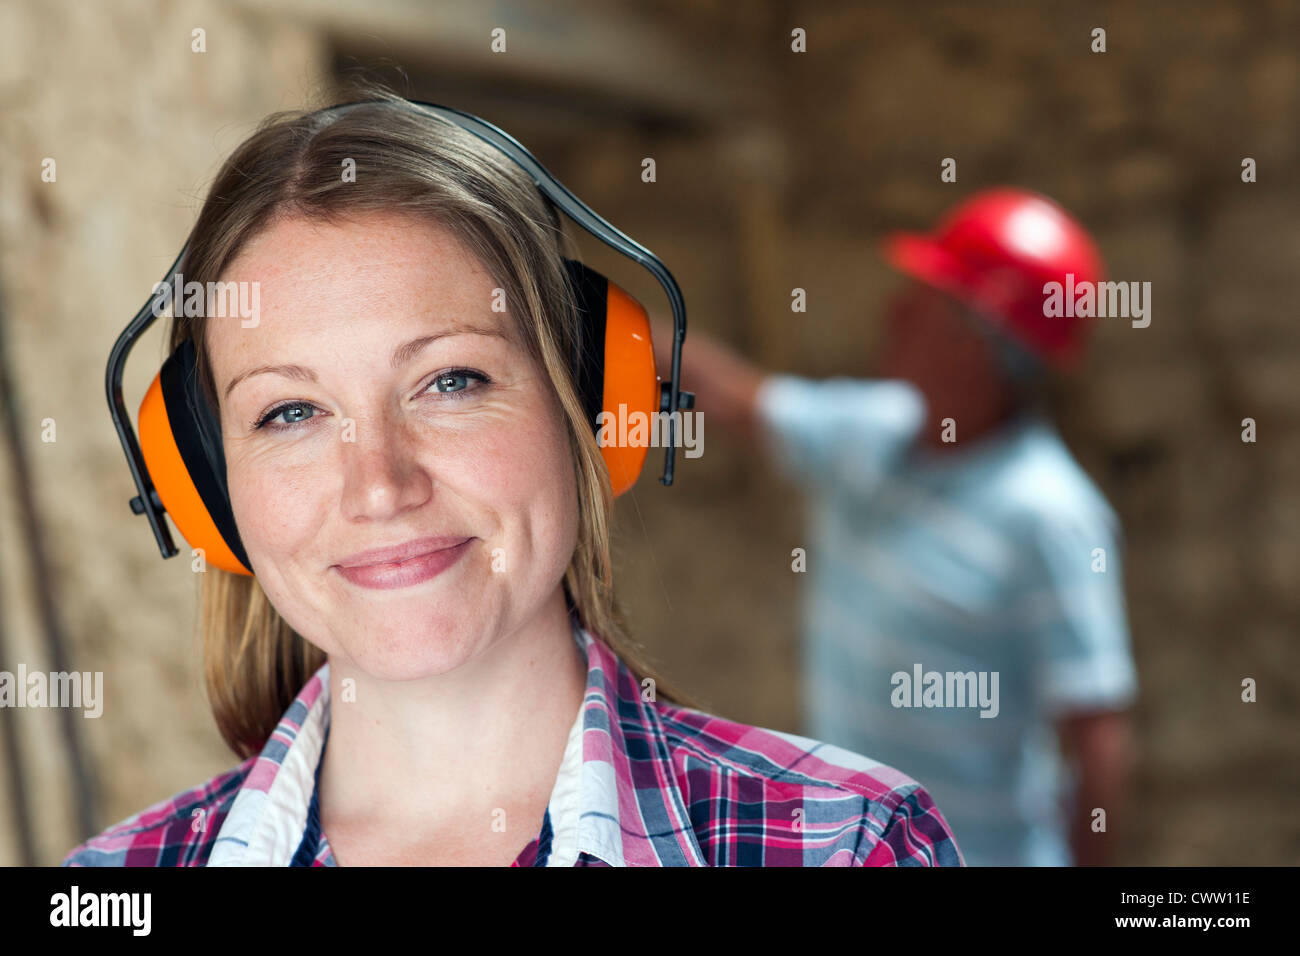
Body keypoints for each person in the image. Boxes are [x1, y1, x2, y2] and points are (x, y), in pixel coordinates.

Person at [62, 95, 963, 867]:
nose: (379, 485)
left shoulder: (843, 846)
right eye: (289, 413)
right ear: (203, 480)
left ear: (594, 404)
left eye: (451, 382)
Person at [654, 189, 1138, 866]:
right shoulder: (869, 433)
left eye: (930, 301)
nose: (896, 312)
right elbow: (739, 400)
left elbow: (1096, 734)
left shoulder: (1046, 512)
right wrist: (611, 328)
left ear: (983, 346)